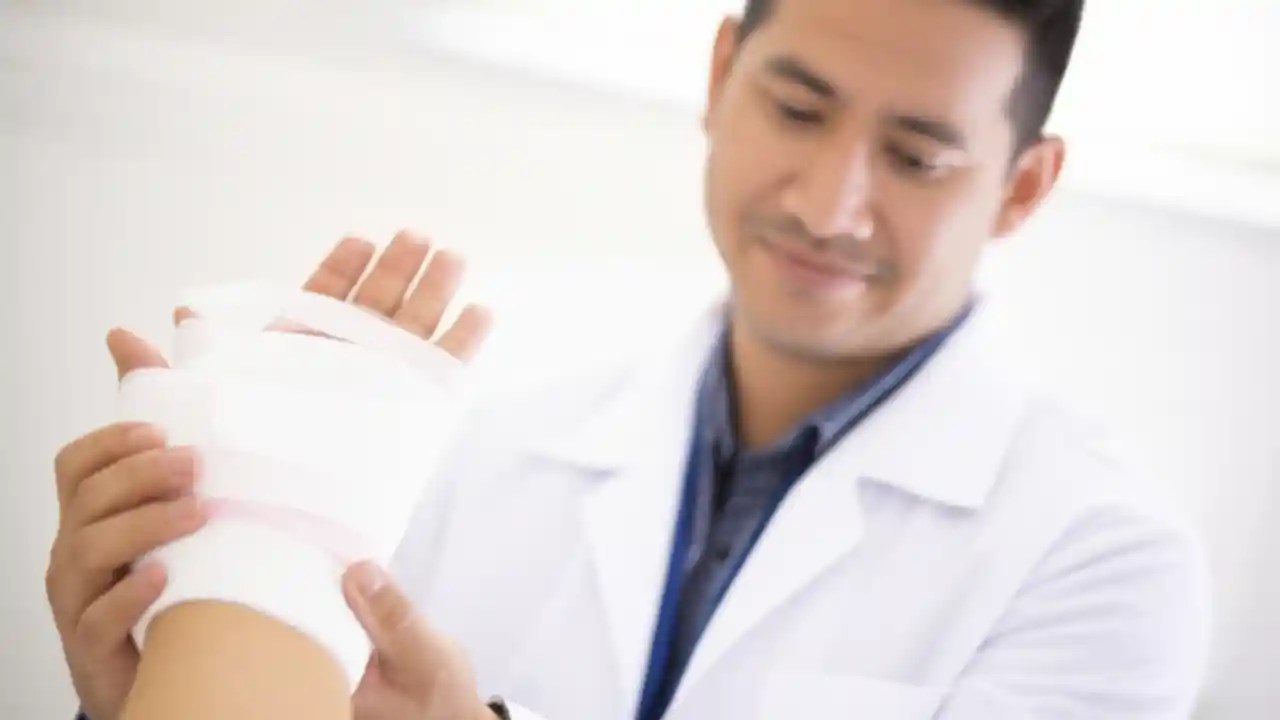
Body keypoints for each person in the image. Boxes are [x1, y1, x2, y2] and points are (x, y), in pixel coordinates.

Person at [46, 0, 1210, 718]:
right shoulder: (471, 438)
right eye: (798, 111)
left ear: (1021, 186)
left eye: (914, 157)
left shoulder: (1102, 561)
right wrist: (152, 685)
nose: (827, 204)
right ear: (717, 79)